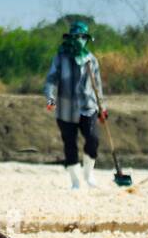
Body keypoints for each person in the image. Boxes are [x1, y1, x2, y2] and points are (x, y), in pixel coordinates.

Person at [45, 21, 107, 188]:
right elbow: (51, 79)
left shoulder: (91, 59)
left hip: (88, 107)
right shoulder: (61, 57)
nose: (79, 40)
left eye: (82, 37)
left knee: (93, 139)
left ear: (86, 39)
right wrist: (50, 99)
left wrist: (103, 108)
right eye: (76, 37)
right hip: (65, 109)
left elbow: (98, 86)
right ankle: (75, 181)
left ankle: (88, 173)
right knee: (70, 144)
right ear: (70, 38)